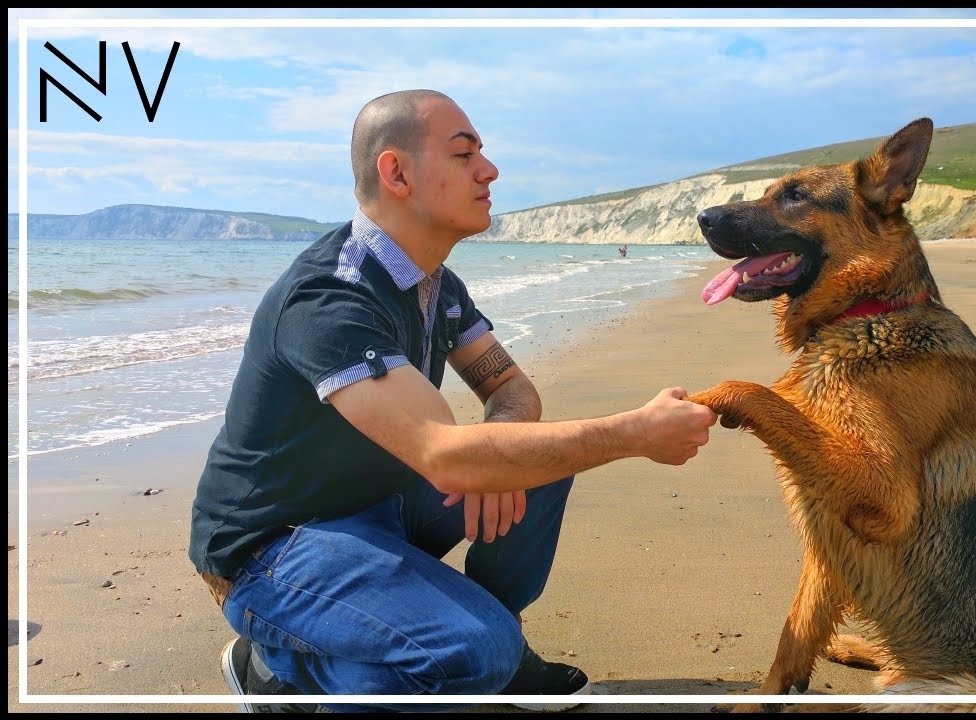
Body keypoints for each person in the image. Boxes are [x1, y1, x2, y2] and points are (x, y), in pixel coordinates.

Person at [187, 89, 719, 713]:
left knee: (539, 465)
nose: (489, 171)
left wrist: (497, 456)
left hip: (378, 507)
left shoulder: (434, 283)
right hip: (271, 548)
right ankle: (277, 671)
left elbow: (512, 388)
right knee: (473, 651)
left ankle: (500, 647)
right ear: (397, 173)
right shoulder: (329, 298)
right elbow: (443, 454)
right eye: (465, 154)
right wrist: (632, 434)